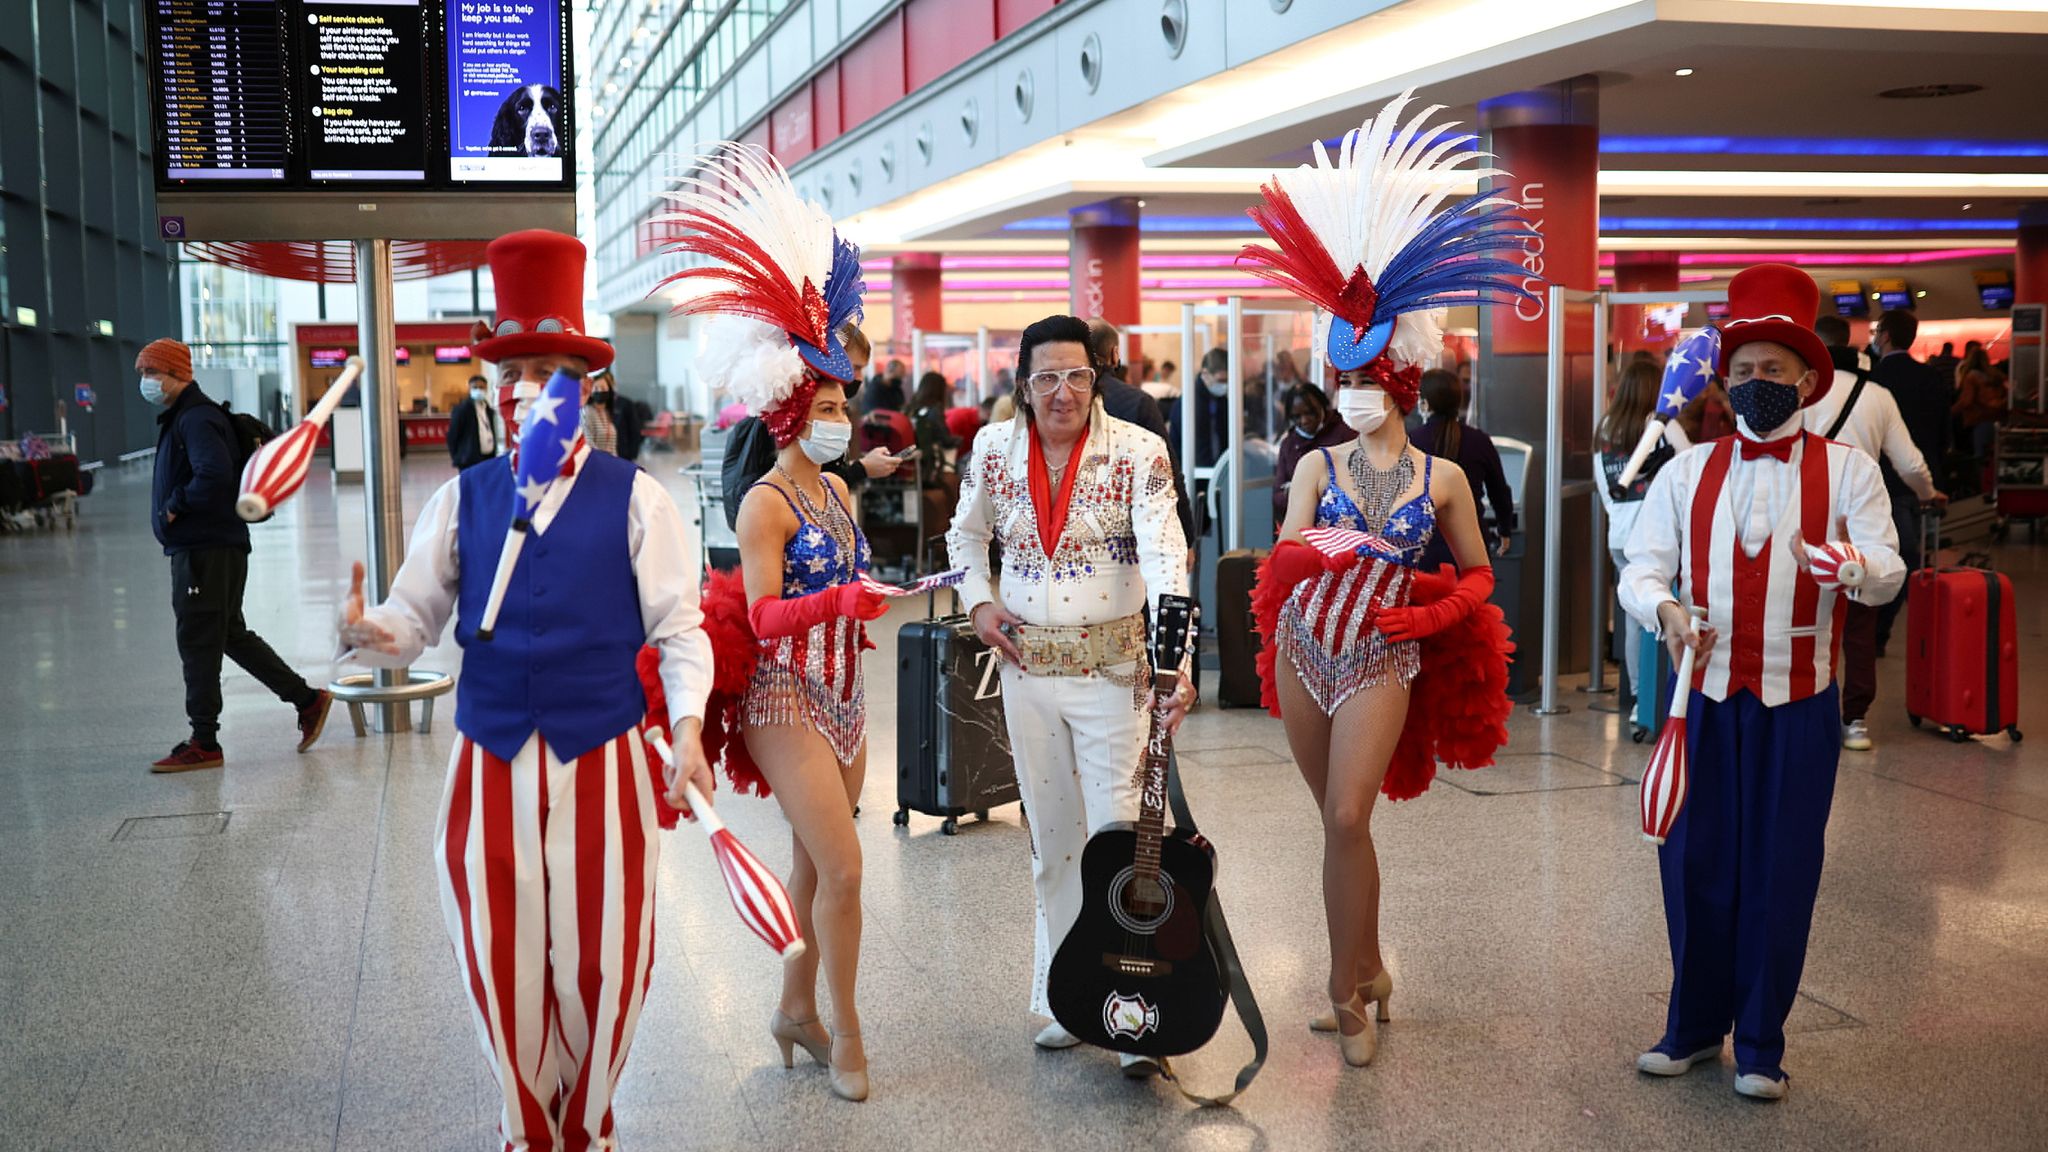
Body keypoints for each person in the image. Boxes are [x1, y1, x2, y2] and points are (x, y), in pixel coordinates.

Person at [336, 229, 718, 1150]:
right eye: (514, 366)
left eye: (551, 366)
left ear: (585, 384)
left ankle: (588, 1129)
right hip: (490, 761)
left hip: (605, 759)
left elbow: (679, 627)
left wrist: (693, 726)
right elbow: (412, 619)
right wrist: (366, 632)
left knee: (607, 965)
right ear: (497, 385)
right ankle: (527, 1133)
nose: (530, 384)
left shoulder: (638, 498)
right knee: (498, 964)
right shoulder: (462, 497)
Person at [1235, 93, 1522, 1070]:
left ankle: (1341, 993)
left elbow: (1480, 579)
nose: (1352, 396)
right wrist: (1317, 552)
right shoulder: (1314, 464)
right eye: (1341, 380)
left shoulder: (1441, 477)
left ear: (1399, 378)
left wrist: (1432, 606)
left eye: (1368, 381)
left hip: (1380, 659)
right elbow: (1275, 563)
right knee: (1333, 825)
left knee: (1351, 814)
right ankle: (1366, 967)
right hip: (1304, 649)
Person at [1621, 263, 1903, 1102]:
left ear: (1808, 380)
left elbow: (1888, 568)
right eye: (1740, 372)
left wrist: (1849, 563)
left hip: (1800, 705)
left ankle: (1762, 1045)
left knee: (1782, 869)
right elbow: (1641, 566)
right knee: (1694, 863)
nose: (1753, 386)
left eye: (1771, 372)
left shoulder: (1849, 469)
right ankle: (1695, 1029)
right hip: (1701, 703)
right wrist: (1664, 608)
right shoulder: (1686, 470)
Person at [665, 145, 882, 1103]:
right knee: (845, 868)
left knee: (810, 861)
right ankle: (845, 1032)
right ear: (791, 410)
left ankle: (792, 1006)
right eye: (829, 404)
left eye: (844, 402)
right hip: (784, 694)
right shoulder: (763, 504)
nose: (843, 417)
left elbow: (857, 578)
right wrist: (841, 602)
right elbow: (762, 612)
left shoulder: (839, 486)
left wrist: (884, 595)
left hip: (848, 693)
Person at [948, 313, 1191, 1079]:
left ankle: (1132, 1010)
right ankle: (1063, 996)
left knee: (1121, 835)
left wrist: (1174, 659)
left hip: (1115, 671)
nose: (1063, 392)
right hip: (1025, 672)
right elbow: (965, 536)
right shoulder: (993, 451)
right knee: (1050, 837)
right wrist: (980, 604)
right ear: (1023, 385)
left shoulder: (1139, 452)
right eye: (1046, 377)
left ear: (1099, 377)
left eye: (1077, 376)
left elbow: (1167, 556)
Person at [139, 338, 334, 773]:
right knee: (226, 632)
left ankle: (204, 740)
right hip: (214, 546)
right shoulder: (190, 416)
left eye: (151, 373)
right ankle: (308, 700)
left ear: (176, 374)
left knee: (198, 639)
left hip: (205, 549)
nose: (146, 381)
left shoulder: (196, 418)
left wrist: (175, 506)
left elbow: (213, 474)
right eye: (143, 374)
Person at [1804, 314, 1944, 751]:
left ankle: (1804, 710)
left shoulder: (1801, 391)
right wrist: (1929, 491)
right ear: (1854, 345)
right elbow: (1908, 462)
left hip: (1805, 517)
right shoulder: (1878, 395)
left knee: (1803, 618)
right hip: (1859, 519)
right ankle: (1855, 719)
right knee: (1861, 623)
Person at [719, 324, 904, 532]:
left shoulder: (835, 485)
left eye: (841, 410)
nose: (859, 378)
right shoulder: (776, 424)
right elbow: (800, 485)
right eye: (856, 367)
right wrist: (861, 469)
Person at [1595, 358, 1692, 710]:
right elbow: (1690, 468)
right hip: (1657, 537)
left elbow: (1606, 488)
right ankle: (1658, 698)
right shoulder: (1662, 425)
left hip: (1619, 534)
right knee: (1666, 612)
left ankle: (1637, 695)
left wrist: (1621, 518)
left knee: (1635, 620)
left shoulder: (1606, 426)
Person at [1868, 308, 1949, 655]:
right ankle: (1882, 628)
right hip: (1915, 484)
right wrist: (1931, 485)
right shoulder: (1930, 378)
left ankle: (1870, 629)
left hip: (1877, 481)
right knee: (1907, 557)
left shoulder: (1872, 380)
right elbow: (1943, 434)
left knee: (1876, 557)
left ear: (1884, 336)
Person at [1087, 319, 1196, 550]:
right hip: (1131, 527)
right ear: (1115, 354)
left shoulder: (1057, 401)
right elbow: (1166, 470)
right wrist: (1185, 535)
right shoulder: (1136, 402)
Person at [1415, 368, 1516, 569]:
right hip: (1471, 545)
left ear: (1425, 403)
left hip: (1423, 546)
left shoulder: (1412, 440)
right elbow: (1499, 492)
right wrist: (1504, 530)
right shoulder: (1479, 440)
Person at [1272, 382, 1356, 523]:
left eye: (1310, 413)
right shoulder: (1289, 444)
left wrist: (1300, 490)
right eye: (1296, 417)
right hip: (1300, 524)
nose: (1304, 421)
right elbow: (1277, 496)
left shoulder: (1345, 433)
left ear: (1323, 406)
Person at [1952, 344, 2007, 468]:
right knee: (1994, 459)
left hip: (1979, 420)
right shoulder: (1996, 376)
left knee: (1979, 461)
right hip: (1998, 420)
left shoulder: (1971, 377)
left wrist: (1950, 412)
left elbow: (1966, 401)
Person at [446, 374, 505, 470]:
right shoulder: (462, 409)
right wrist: (458, 457)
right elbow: (452, 436)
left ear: (486, 389)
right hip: (469, 460)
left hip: (488, 457)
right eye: (475, 387)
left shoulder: (488, 410)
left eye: (481, 387)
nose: (478, 390)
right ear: (469, 389)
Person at [580, 368, 619, 455]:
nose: (600, 391)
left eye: (603, 388)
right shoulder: (587, 412)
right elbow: (588, 443)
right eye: (596, 388)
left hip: (610, 462)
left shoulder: (607, 412)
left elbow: (613, 446)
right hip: (596, 462)